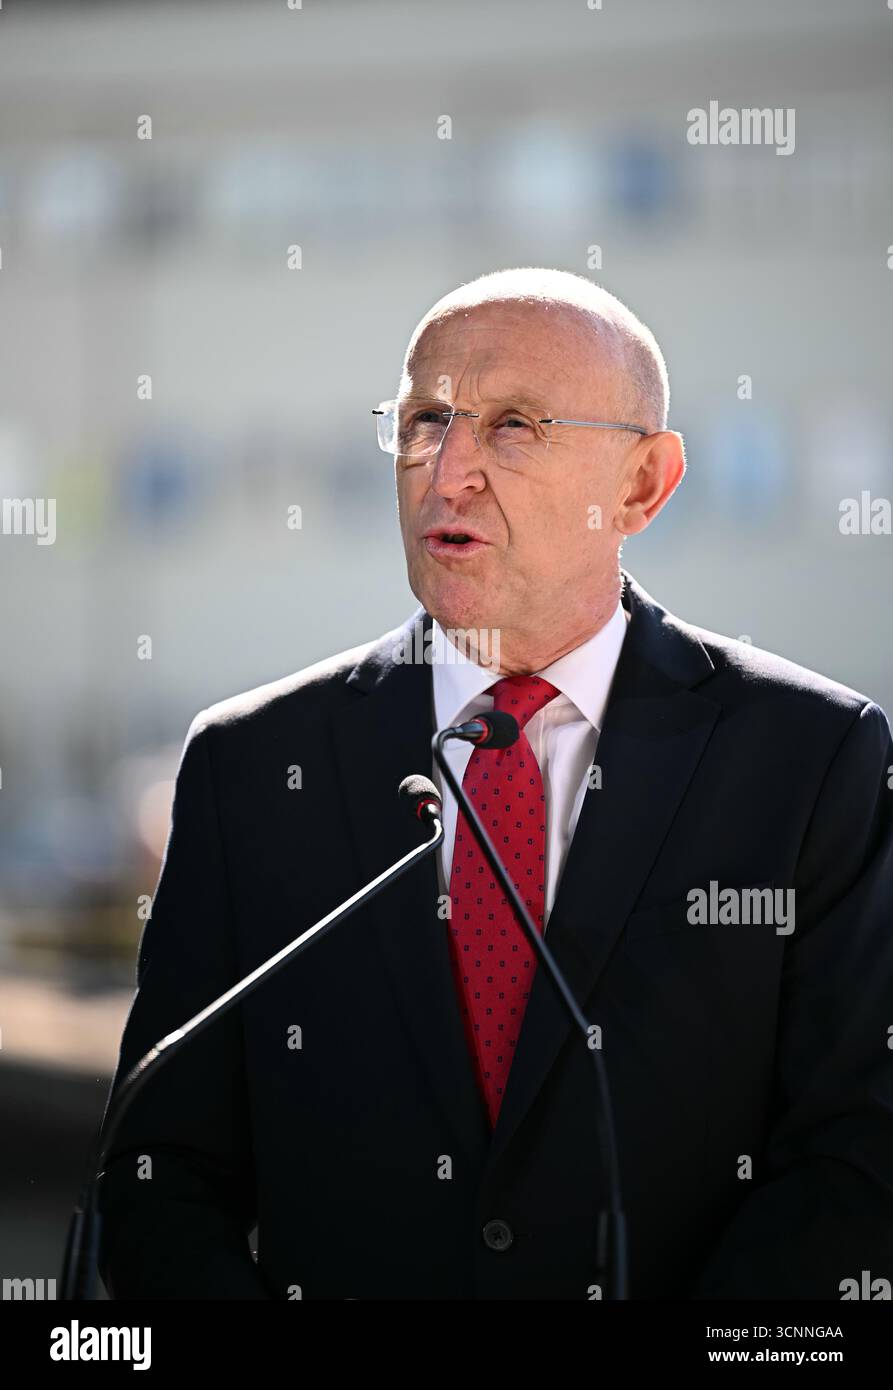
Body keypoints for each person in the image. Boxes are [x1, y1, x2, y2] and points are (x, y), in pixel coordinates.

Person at [98, 268, 893, 1299]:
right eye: (424, 421)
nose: (448, 471)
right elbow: (160, 1173)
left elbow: (853, 1157)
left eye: (513, 425)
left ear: (641, 486)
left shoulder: (810, 757)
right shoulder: (250, 763)